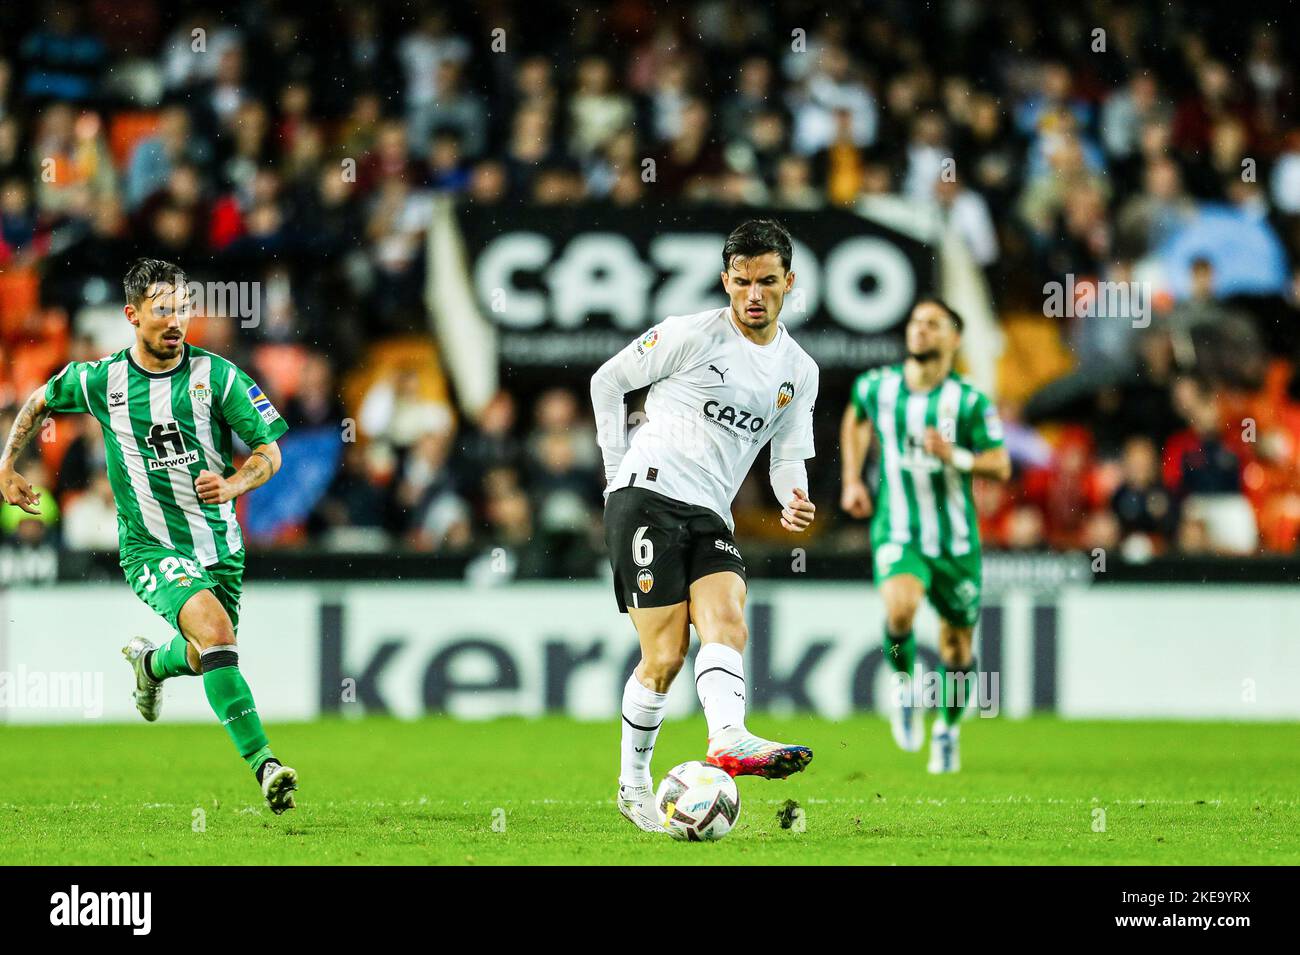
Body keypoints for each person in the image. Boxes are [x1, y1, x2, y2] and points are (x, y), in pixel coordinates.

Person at [0, 258, 298, 813]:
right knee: (216, 632)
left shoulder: (220, 378)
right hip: (151, 548)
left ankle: (151, 664)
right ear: (132, 315)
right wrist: (7, 465)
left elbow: (270, 452)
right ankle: (266, 766)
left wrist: (234, 484)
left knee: (211, 649)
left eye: (182, 308)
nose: (175, 320)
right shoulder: (102, 381)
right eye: (162, 310)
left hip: (220, 547)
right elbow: (39, 399)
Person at [590, 219, 819, 832]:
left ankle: (730, 739)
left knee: (728, 617)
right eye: (741, 281)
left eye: (767, 282)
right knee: (664, 655)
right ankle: (632, 785)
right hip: (648, 496)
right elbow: (606, 381)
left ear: (788, 283)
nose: (753, 294)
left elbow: (787, 456)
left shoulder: (799, 372)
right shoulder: (691, 334)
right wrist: (617, 474)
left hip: (710, 513)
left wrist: (793, 496)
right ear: (725, 281)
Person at [840, 300, 1011, 773]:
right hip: (899, 530)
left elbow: (1000, 463)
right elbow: (855, 417)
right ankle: (902, 685)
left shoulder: (970, 401)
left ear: (954, 339)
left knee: (957, 647)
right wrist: (853, 479)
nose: (920, 330)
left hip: (956, 543)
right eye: (915, 322)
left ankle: (948, 729)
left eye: (933, 324)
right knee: (900, 609)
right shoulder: (878, 386)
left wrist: (956, 457)